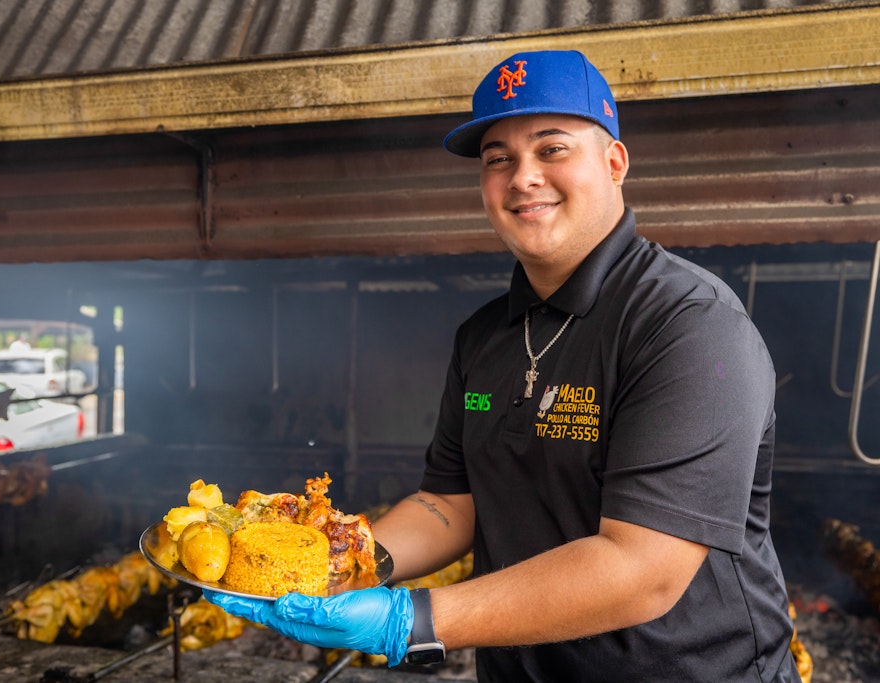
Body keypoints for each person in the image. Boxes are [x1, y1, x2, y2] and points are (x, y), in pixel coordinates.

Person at [205, 50, 800, 682]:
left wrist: (412, 618)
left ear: (614, 162)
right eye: (498, 159)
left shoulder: (687, 324)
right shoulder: (485, 336)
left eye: (551, 149)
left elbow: (643, 570)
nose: (522, 178)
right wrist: (334, 564)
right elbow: (448, 504)